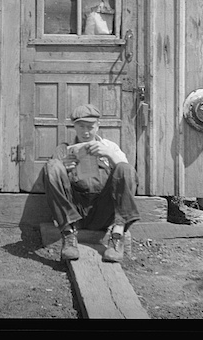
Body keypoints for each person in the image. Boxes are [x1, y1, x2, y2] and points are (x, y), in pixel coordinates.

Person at [42, 104, 140, 262]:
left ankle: (117, 235)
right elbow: (52, 180)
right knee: (52, 166)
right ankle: (68, 235)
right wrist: (63, 167)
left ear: (98, 125)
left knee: (125, 168)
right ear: (74, 126)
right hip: (75, 211)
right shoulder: (63, 149)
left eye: (90, 126)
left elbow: (129, 177)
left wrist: (109, 155)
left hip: (104, 210)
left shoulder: (110, 147)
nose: (86, 132)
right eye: (81, 126)